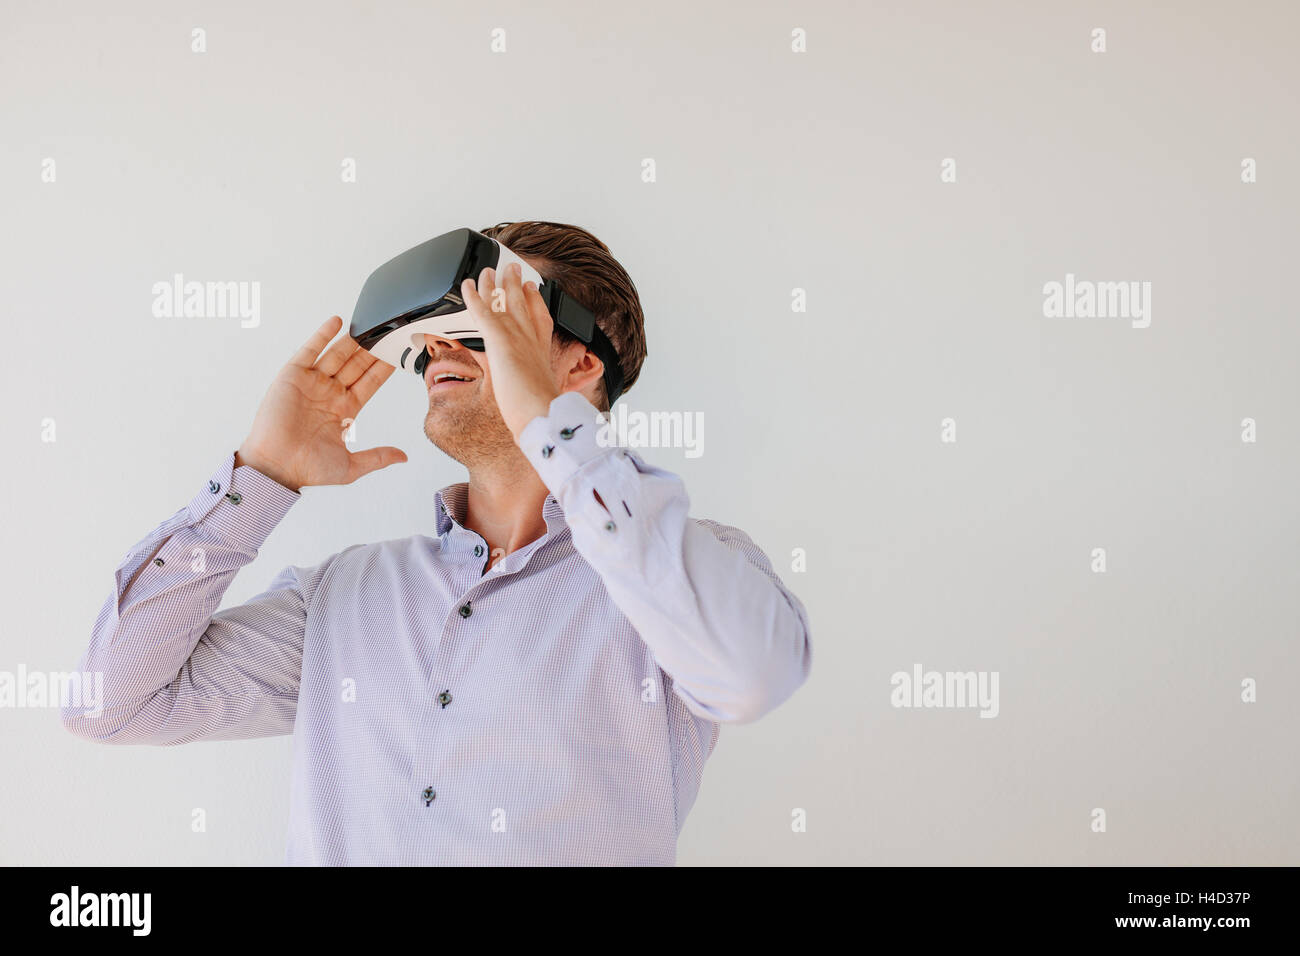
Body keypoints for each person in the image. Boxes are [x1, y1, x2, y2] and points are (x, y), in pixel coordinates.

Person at [61, 220, 813, 865]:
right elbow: (110, 704)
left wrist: (552, 429)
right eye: (428, 342)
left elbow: (753, 678)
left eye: (483, 329)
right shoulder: (341, 599)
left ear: (581, 364)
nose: (436, 354)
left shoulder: (679, 569)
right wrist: (257, 477)